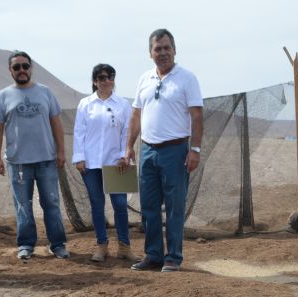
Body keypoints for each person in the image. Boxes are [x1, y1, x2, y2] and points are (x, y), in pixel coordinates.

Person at [125, 29, 203, 273]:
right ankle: (153, 255)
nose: (162, 53)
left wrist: (195, 149)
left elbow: (197, 115)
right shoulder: (144, 79)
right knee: (148, 207)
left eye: (167, 47)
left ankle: (173, 258)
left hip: (175, 151)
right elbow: (136, 114)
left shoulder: (187, 78)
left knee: (174, 206)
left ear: (175, 50)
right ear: (150, 53)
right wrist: (128, 146)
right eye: (157, 48)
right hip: (148, 150)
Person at [0, 51, 70, 261]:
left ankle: (58, 244)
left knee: (51, 203)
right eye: (16, 67)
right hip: (17, 162)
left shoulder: (45, 92)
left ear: (31, 68)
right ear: (10, 70)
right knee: (22, 205)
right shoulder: (3, 96)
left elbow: (56, 123)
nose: (22, 70)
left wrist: (61, 151)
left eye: (25, 66)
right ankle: (26, 244)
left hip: (46, 159)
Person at [73, 64, 138, 263]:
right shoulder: (86, 104)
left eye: (110, 76)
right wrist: (79, 157)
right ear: (94, 81)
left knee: (119, 204)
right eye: (101, 77)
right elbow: (79, 131)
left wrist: (123, 154)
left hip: (116, 163)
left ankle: (125, 247)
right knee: (97, 204)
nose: (106, 81)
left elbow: (127, 131)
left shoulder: (122, 104)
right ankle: (102, 245)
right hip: (91, 163)